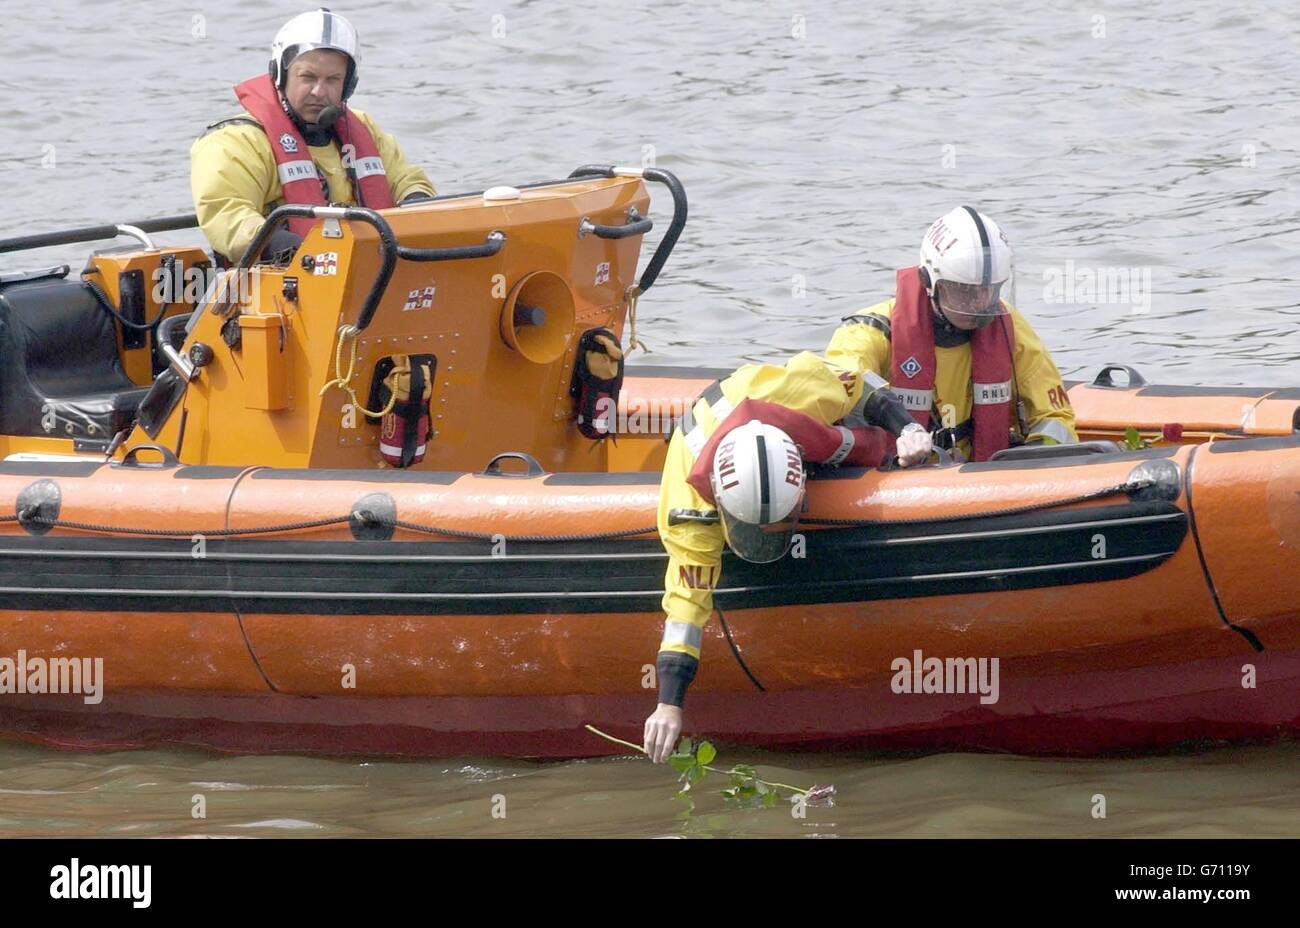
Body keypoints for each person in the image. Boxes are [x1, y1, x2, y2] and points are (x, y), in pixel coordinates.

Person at [642, 351, 932, 762]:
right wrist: (669, 704)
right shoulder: (690, 515)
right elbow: (687, 606)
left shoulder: (808, 391)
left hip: (781, 413)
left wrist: (907, 429)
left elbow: (861, 386)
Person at [826, 207, 1077, 463]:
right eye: (964, 292)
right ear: (929, 282)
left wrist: (1039, 463)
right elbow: (841, 381)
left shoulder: (1009, 326)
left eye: (989, 290)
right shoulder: (872, 330)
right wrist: (902, 426)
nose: (980, 304)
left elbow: (1054, 417)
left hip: (986, 477)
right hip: (893, 476)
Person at [190, 8, 436, 265]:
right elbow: (226, 213)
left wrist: (417, 205)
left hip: (372, 274)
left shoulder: (364, 128)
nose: (319, 91)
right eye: (307, 77)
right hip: (282, 285)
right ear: (280, 75)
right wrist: (281, 245)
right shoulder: (236, 142)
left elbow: (408, 180)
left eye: (332, 79)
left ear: (348, 84)